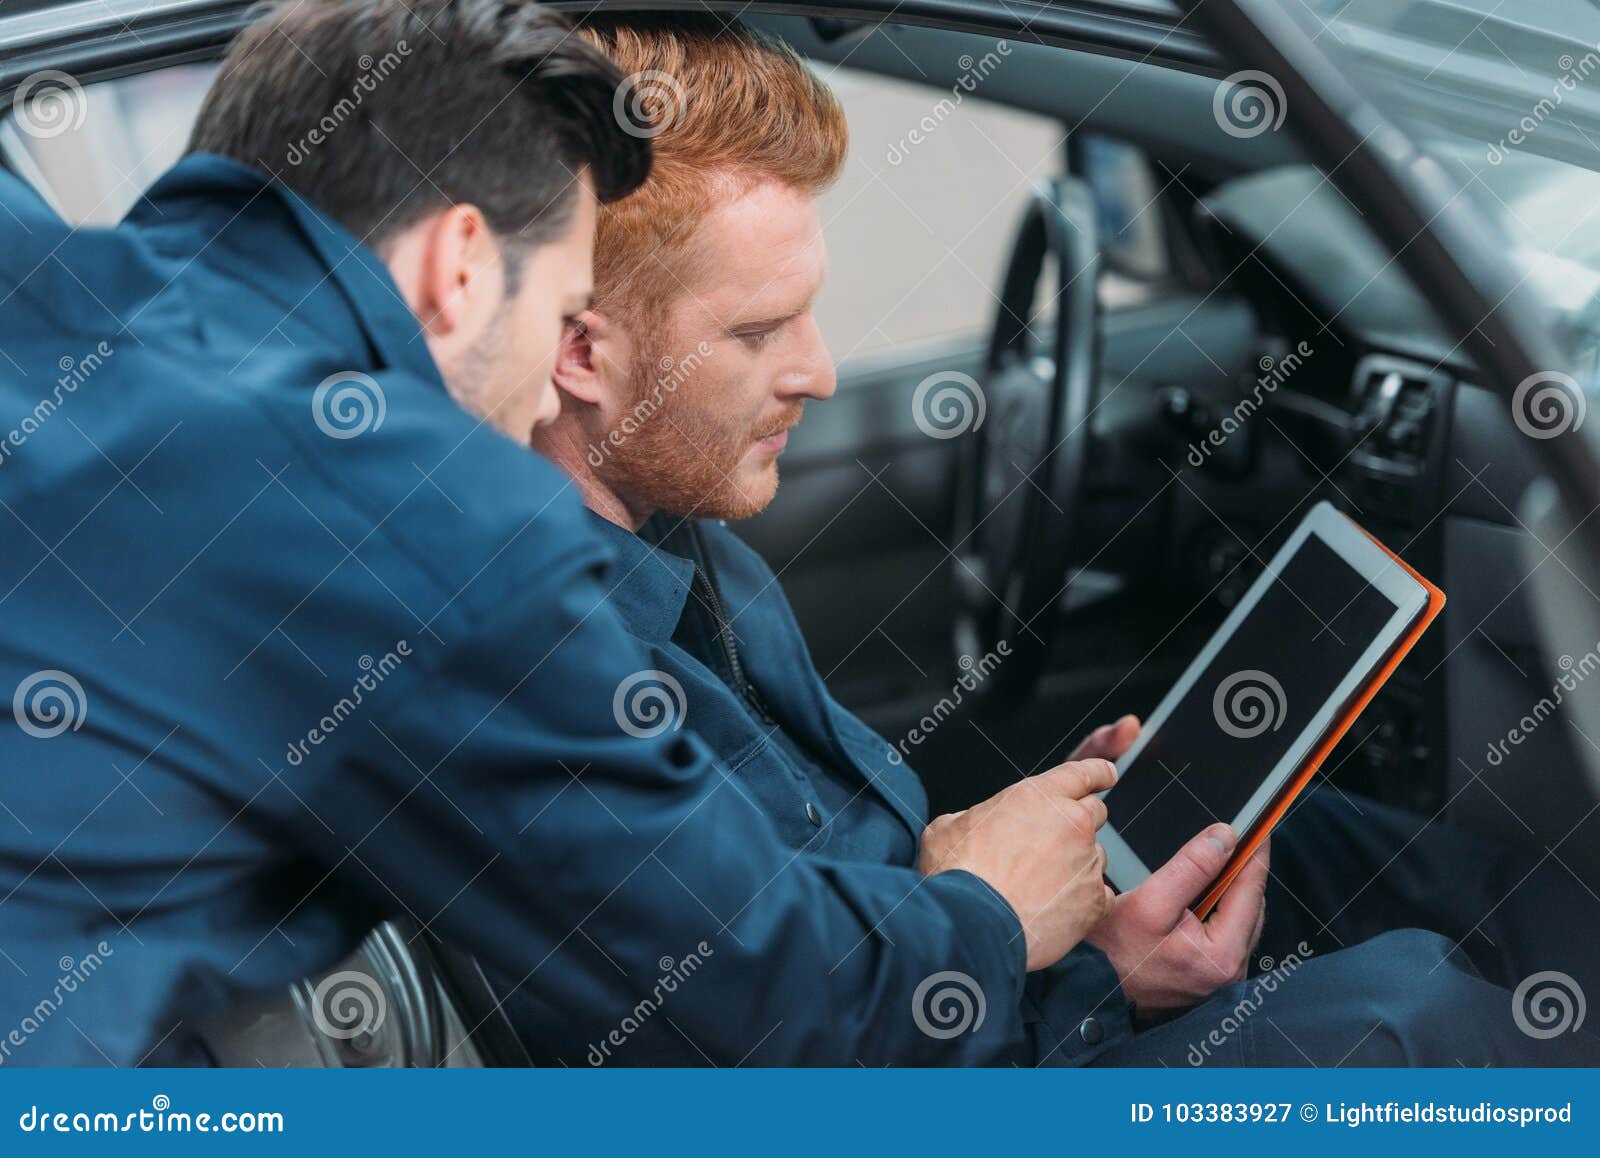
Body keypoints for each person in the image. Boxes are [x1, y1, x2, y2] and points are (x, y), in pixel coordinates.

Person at [0, 0, 1118, 1067]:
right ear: (461, 265)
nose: (545, 396)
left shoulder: (39, 287)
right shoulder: (427, 536)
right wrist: (991, 913)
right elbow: (778, 1012)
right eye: (560, 306)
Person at [519, 13, 1600, 1065]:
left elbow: (815, 899)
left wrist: (1018, 862)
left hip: (943, 982)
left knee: (1305, 837)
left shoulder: (681, 541)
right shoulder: (567, 695)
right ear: (580, 352)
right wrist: (1089, 979)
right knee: (1414, 1019)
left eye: (806, 312)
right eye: (757, 332)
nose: (819, 372)